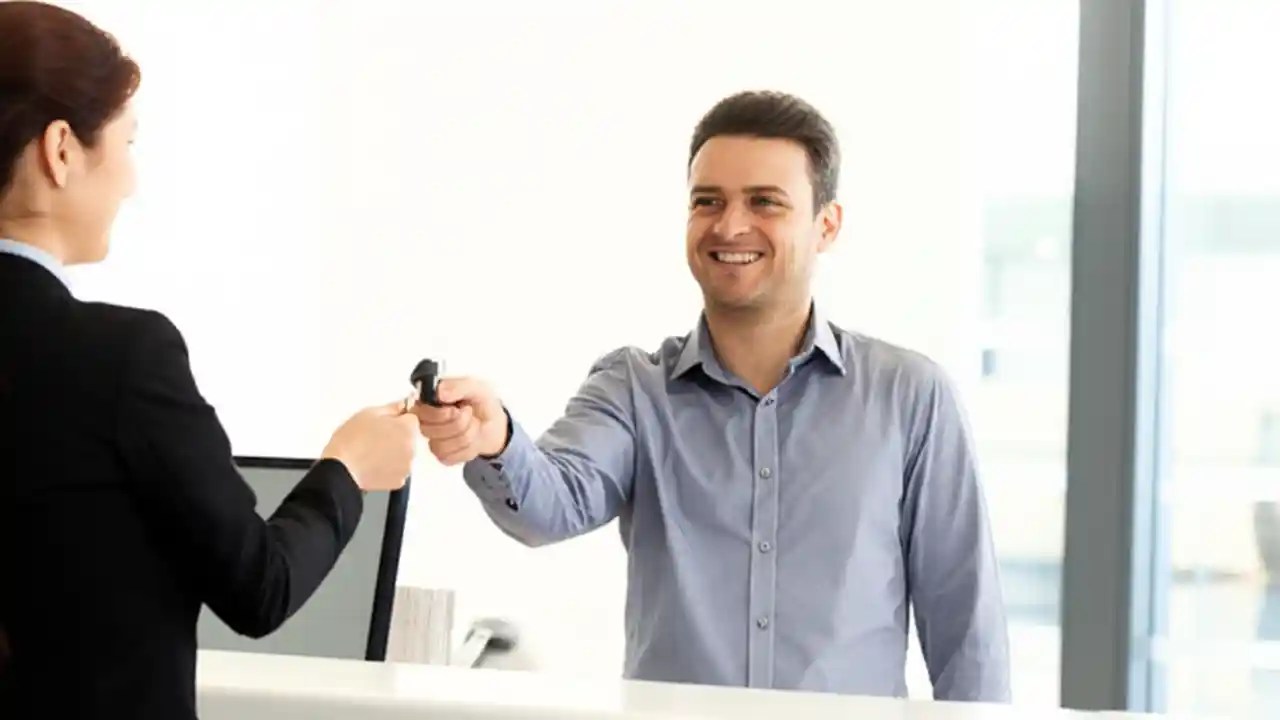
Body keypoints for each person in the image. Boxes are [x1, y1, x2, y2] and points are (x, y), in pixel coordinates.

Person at [415, 90, 1011, 701]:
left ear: (826, 225)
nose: (730, 226)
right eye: (709, 202)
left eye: (765, 203)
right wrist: (497, 440)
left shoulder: (911, 397)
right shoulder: (633, 389)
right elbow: (552, 504)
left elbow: (966, 630)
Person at [0, 3, 420, 718]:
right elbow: (260, 587)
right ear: (62, 149)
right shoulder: (122, 359)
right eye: (128, 142)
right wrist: (348, 469)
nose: (131, 181)